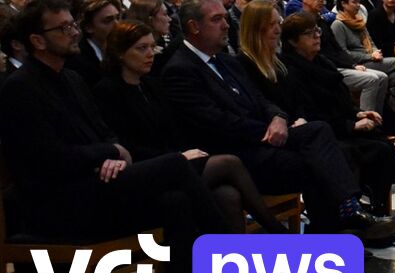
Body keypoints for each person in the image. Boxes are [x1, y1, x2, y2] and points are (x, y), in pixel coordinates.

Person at [0, 0, 240, 273]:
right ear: (37, 40)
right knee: (175, 164)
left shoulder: (73, 80)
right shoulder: (19, 88)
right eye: (63, 28)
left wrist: (111, 153)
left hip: (97, 189)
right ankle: (237, 269)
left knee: (174, 201)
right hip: (57, 204)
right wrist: (106, 154)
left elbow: (107, 136)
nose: (74, 32)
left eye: (73, 24)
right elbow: (47, 160)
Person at [161, 0, 395, 240]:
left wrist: (277, 117)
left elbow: (261, 100)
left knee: (319, 131)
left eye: (224, 18)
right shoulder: (181, 70)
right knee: (317, 164)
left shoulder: (225, 61)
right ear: (194, 27)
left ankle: (345, 219)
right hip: (236, 151)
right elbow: (215, 122)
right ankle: (339, 233)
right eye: (216, 19)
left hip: (262, 139)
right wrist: (267, 130)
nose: (225, 25)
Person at [95, 20, 288, 235]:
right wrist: (179, 155)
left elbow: (174, 129)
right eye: (141, 48)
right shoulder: (108, 92)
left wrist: (181, 153)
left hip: (175, 160)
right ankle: (277, 232)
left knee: (227, 194)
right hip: (148, 169)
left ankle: (230, 262)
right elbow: (128, 144)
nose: (150, 54)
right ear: (121, 53)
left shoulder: (151, 85)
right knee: (229, 162)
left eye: (152, 47)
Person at [279, 12, 395, 215]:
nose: (317, 36)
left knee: (383, 145)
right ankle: (348, 210)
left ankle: (378, 208)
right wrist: (351, 125)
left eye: (317, 31)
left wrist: (360, 114)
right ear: (293, 41)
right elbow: (307, 111)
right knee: (358, 152)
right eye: (309, 33)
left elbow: (343, 99)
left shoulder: (323, 62)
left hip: (341, 123)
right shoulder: (290, 70)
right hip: (326, 132)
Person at [300, 0, 391, 116]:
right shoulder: (303, 22)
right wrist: (352, 64)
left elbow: (336, 49)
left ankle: (377, 122)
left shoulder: (322, 21)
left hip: (337, 65)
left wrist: (353, 65)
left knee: (382, 77)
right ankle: (366, 123)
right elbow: (324, 54)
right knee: (371, 79)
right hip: (322, 68)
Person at [330, 0, 395, 109]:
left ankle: (384, 114)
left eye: (359, 2)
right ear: (343, 4)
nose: (358, 5)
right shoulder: (338, 25)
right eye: (354, 2)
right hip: (358, 63)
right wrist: (370, 56)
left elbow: (371, 42)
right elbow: (343, 53)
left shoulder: (359, 22)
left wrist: (375, 51)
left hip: (371, 59)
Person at [66, 0, 122, 86]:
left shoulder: (121, 52)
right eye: (108, 20)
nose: (117, 25)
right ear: (89, 27)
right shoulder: (78, 60)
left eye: (118, 18)